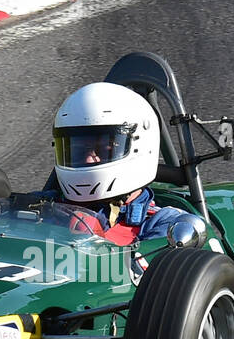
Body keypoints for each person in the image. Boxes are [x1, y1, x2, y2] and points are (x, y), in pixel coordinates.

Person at [47, 82, 193, 246]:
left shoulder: (170, 227)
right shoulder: (39, 208)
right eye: (77, 151)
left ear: (141, 146)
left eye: (104, 149)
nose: (88, 159)